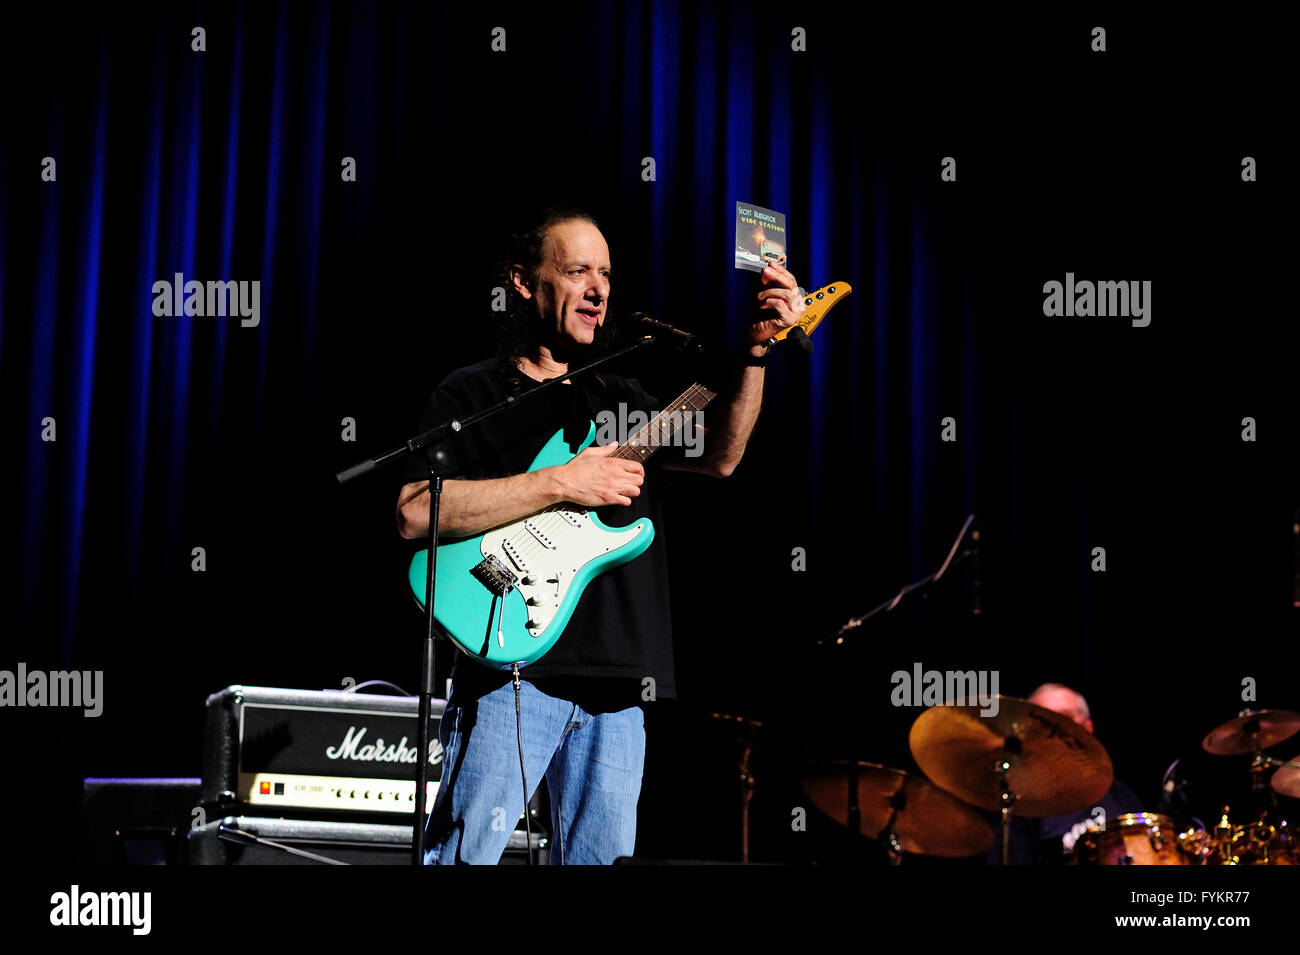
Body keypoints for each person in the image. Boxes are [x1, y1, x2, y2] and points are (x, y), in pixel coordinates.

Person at [395, 205, 805, 864]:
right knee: (464, 855)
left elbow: (723, 455)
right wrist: (562, 481)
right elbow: (416, 511)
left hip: (620, 684)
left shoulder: (626, 397)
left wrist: (753, 354)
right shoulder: (471, 392)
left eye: (606, 273)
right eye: (578, 269)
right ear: (524, 281)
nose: (598, 287)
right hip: (511, 668)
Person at [988, 683, 1143, 864]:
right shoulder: (1021, 807)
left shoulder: (1119, 792)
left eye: (1065, 717)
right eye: (1042, 722)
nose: (1054, 730)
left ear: (1088, 726)